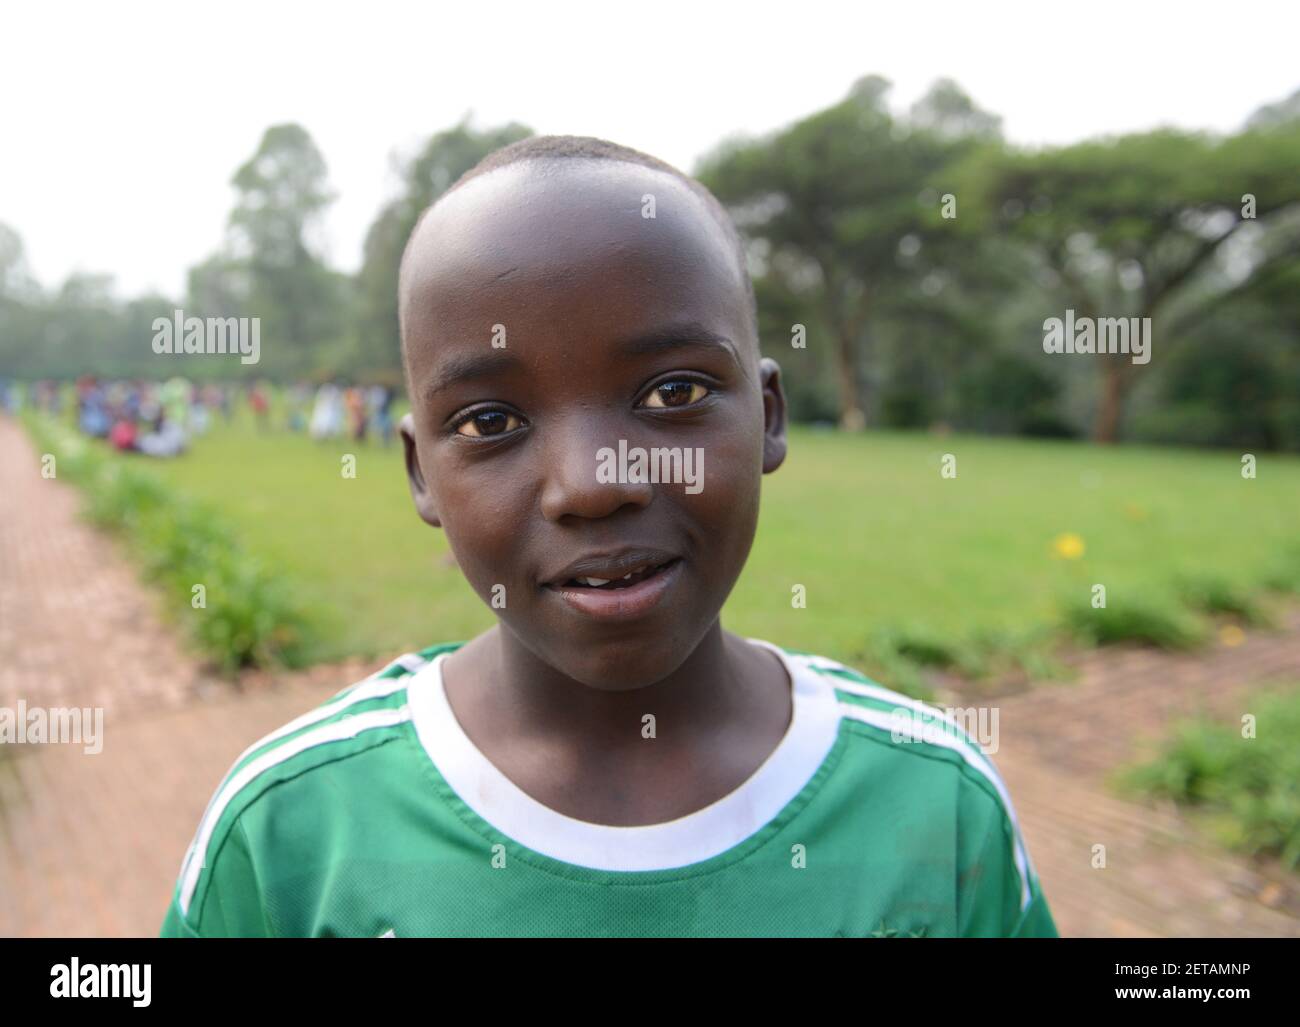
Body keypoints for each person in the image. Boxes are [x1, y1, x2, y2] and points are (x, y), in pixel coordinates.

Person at [161, 136, 1058, 938]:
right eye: (488, 420)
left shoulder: (936, 807)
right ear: (420, 474)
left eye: (673, 394)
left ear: (770, 417)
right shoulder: (289, 834)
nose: (594, 483)